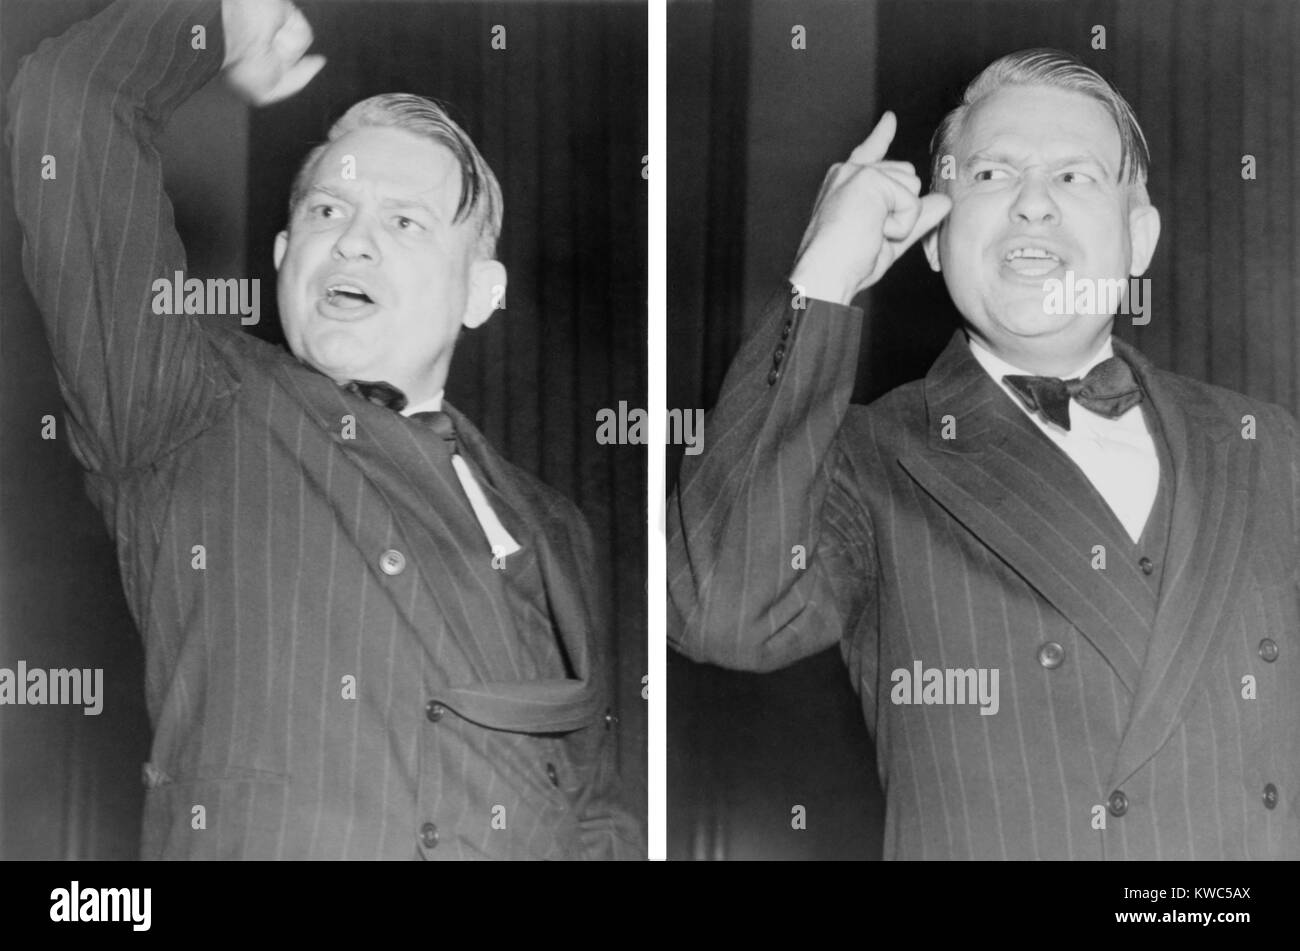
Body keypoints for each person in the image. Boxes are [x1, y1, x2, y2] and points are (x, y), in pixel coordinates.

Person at [7, 0, 642, 860]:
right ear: (279, 259)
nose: (353, 243)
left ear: (482, 291)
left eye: (405, 221)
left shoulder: (555, 526)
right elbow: (68, 103)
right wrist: (218, 22)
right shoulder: (186, 402)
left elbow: (593, 808)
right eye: (326, 212)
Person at [668, 48, 1299, 860]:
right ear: (934, 237)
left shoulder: (1271, 448)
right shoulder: (866, 457)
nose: (1033, 203)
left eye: (1074, 177)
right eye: (993, 175)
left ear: (1139, 238)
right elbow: (720, 609)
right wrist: (825, 271)